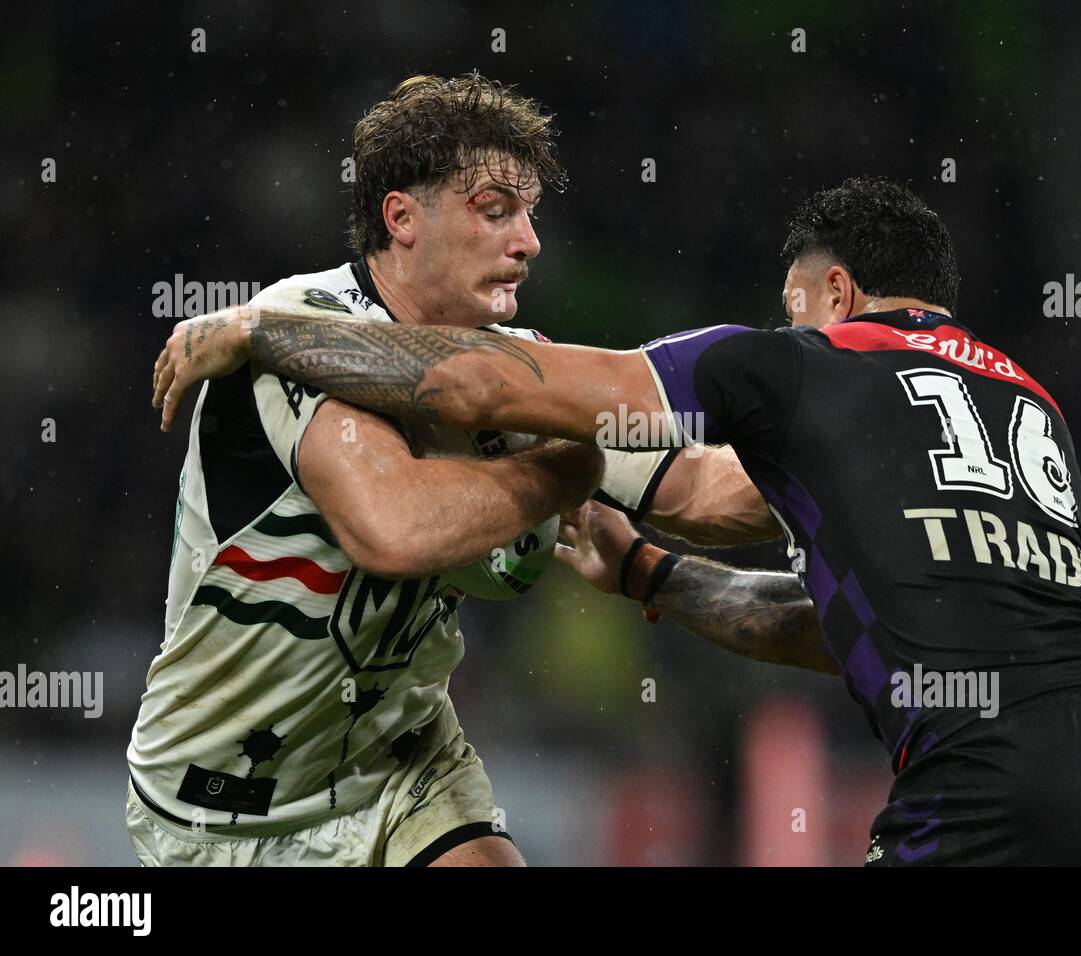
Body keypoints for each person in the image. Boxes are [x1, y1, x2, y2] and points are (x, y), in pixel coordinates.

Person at [153, 175, 1081, 866]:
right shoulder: (1026, 403)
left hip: (993, 786)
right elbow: (852, 620)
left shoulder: (796, 364)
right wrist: (650, 577)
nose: (783, 321)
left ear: (835, 293)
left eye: (792, 303)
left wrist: (270, 327)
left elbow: (486, 386)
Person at [131, 72, 770, 868]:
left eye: (530, 215)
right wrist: (566, 473)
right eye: (496, 211)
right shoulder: (300, 332)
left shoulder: (517, 369)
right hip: (225, 799)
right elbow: (394, 529)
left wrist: (859, 456)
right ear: (401, 218)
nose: (529, 241)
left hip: (402, 761)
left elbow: (706, 490)